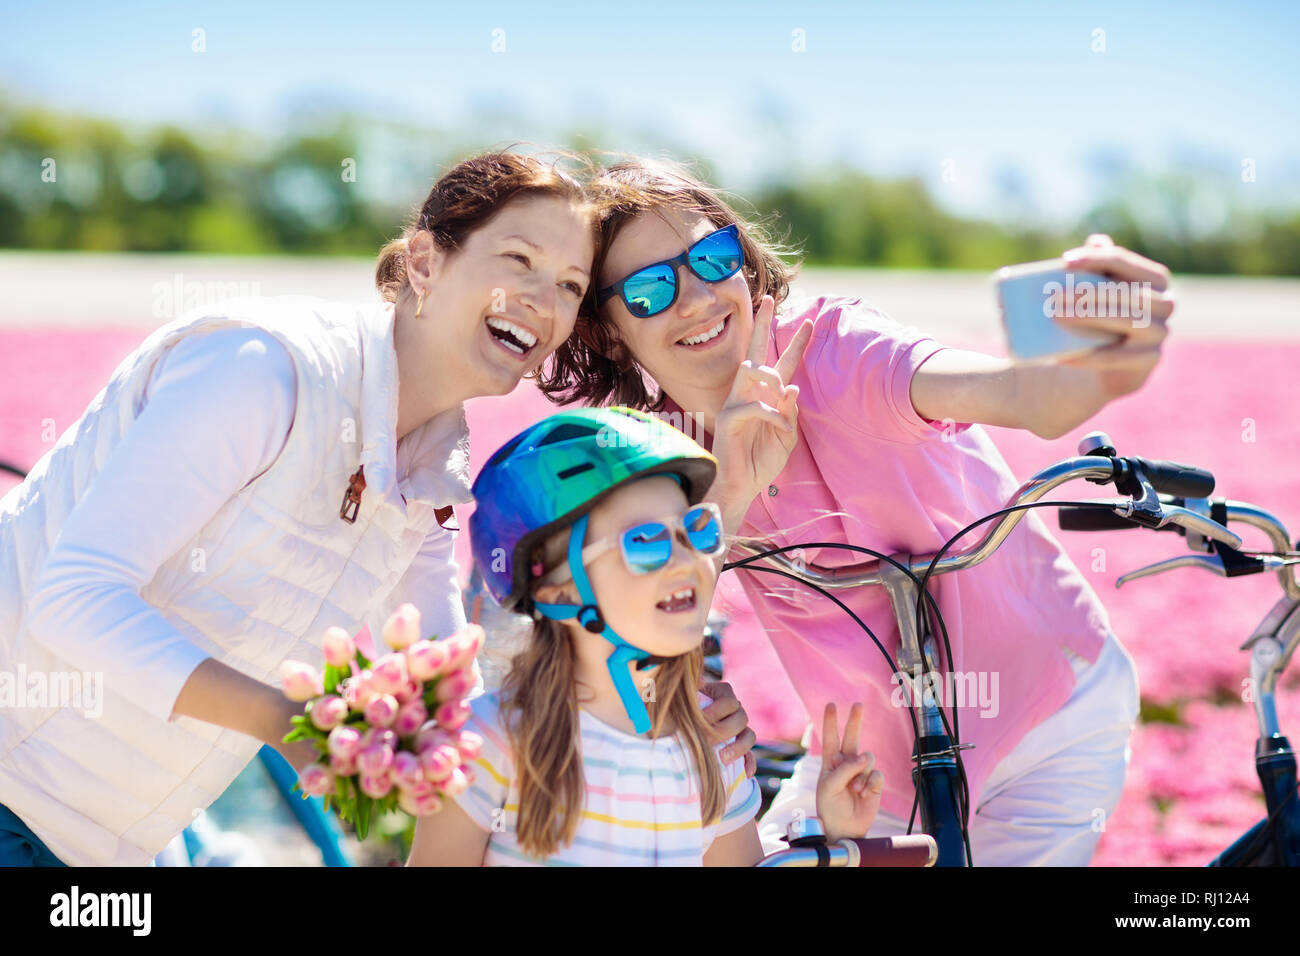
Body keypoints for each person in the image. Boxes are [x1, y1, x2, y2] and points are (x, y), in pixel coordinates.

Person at [0, 150, 644, 867]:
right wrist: (293, 724)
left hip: (112, 844)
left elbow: (447, 682)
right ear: (426, 263)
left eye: (567, 284)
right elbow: (74, 598)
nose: (540, 298)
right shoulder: (263, 369)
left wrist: (624, 716)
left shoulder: (430, 469)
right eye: (517, 258)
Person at [540, 157, 1173, 865]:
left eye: (712, 257)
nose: (696, 297)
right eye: (650, 289)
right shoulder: (659, 448)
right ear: (607, 330)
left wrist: (1101, 365)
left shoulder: (841, 352)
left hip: (1048, 717)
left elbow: (1022, 396)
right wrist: (736, 487)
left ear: (744, 263)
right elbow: (638, 619)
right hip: (865, 762)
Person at [406, 407, 882, 865]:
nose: (687, 559)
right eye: (646, 542)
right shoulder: (489, 743)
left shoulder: (714, 752)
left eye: (696, 530)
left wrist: (833, 836)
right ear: (559, 591)